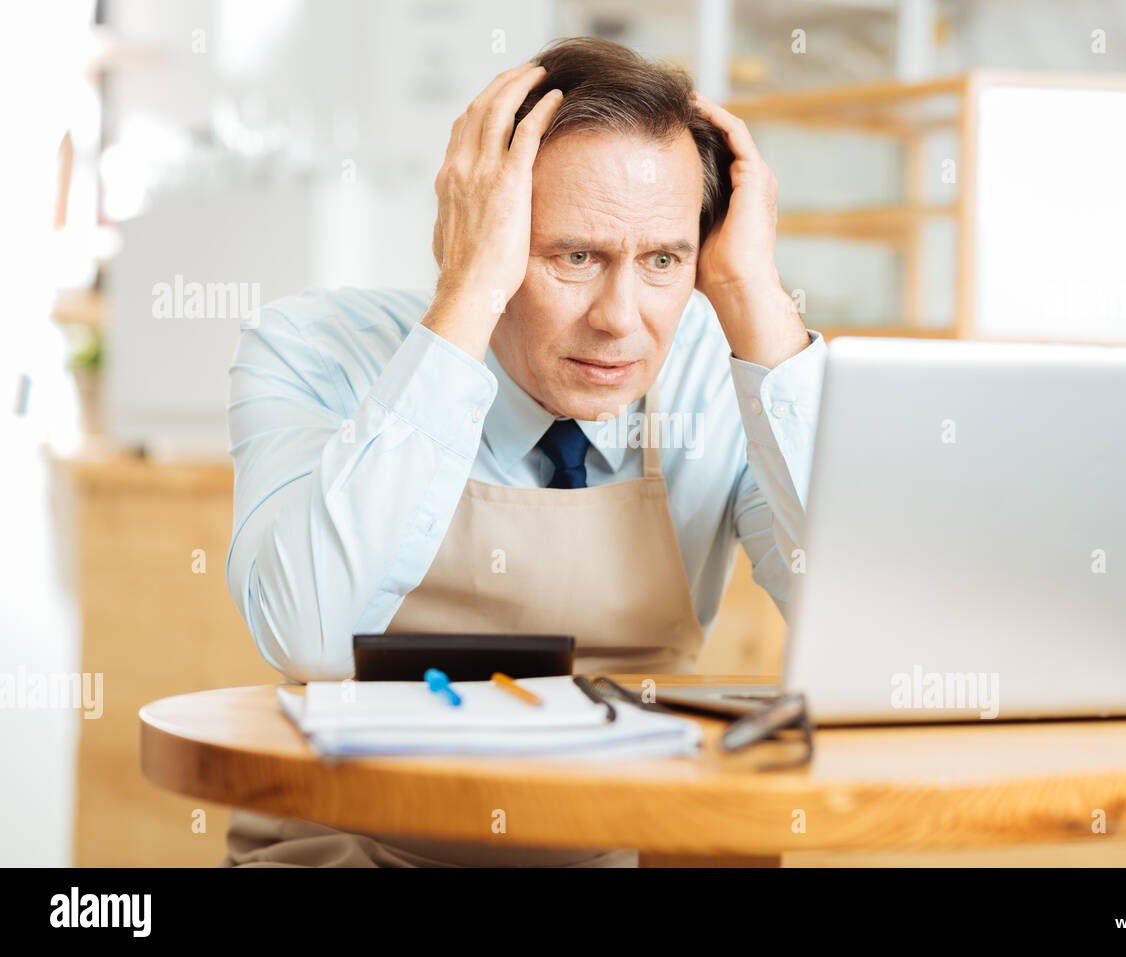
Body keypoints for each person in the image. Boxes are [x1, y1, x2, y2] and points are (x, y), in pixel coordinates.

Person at [220, 35, 826, 867]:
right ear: (485, 230)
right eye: (575, 256)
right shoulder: (312, 347)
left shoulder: (719, 375)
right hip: (352, 846)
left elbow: (863, 622)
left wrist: (753, 294)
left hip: (634, 846)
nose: (620, 318)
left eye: (663, 260)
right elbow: (309, 634)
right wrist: (467, 290)